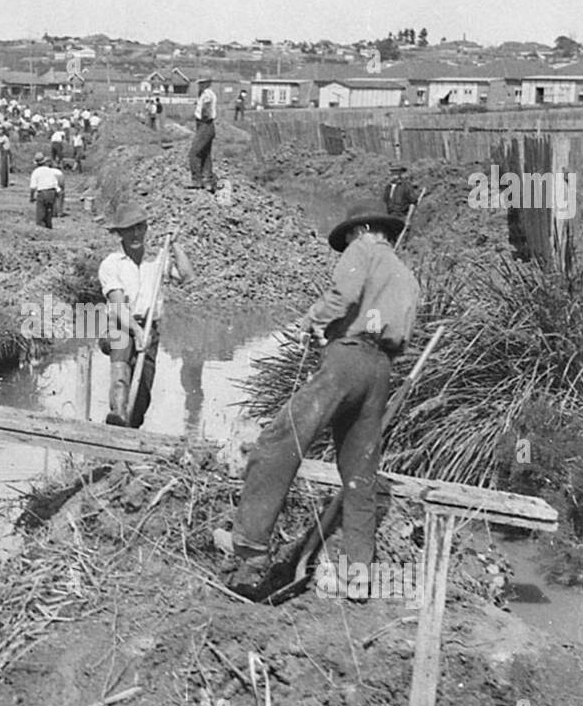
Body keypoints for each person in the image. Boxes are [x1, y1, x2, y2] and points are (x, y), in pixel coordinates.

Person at [215, 199, 421, 598]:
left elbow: (343, 294)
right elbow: (402, 336)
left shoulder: (362, 249)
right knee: (360, 474)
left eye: (346, 242)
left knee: (278, 441)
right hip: (380, 371)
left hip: (346, 360)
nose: (346, 250)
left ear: (359, 232)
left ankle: (249, 547)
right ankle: (358, 572)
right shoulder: (406, 276)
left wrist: (310, 321)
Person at [98, 201, 194, 428]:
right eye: (129, 230)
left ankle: (132, 426)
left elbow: (187, 276)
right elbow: (119, 306)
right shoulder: (112, 264)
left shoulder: (157, 261)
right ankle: (118, 414)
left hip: (149, 328)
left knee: (143, 390)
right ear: (119, 234)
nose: (135, 234)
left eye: (140, 228)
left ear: (146, 229)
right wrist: (137, 331)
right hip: (119, 326)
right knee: (122, 356)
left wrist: (175, 244)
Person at [188, 75, 218, 190]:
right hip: (208, 126)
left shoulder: (206, 94)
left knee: (194, 153)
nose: (199, 86)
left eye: (201, 83)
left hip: (205, 125)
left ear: (206, 83)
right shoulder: (208, 94)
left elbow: (206, 110)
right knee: (205, 154)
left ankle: (197, 180)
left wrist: (203, 120)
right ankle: (207, 180)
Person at [29, 153, 63, 229]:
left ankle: (42, 231)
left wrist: (31, 197)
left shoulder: (36, 172)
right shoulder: (50, 171)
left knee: (40, 215)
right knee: (49, 214)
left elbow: (33, 187)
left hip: (42, 194)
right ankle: (48, 227)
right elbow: (55, 185)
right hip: (52, 193)